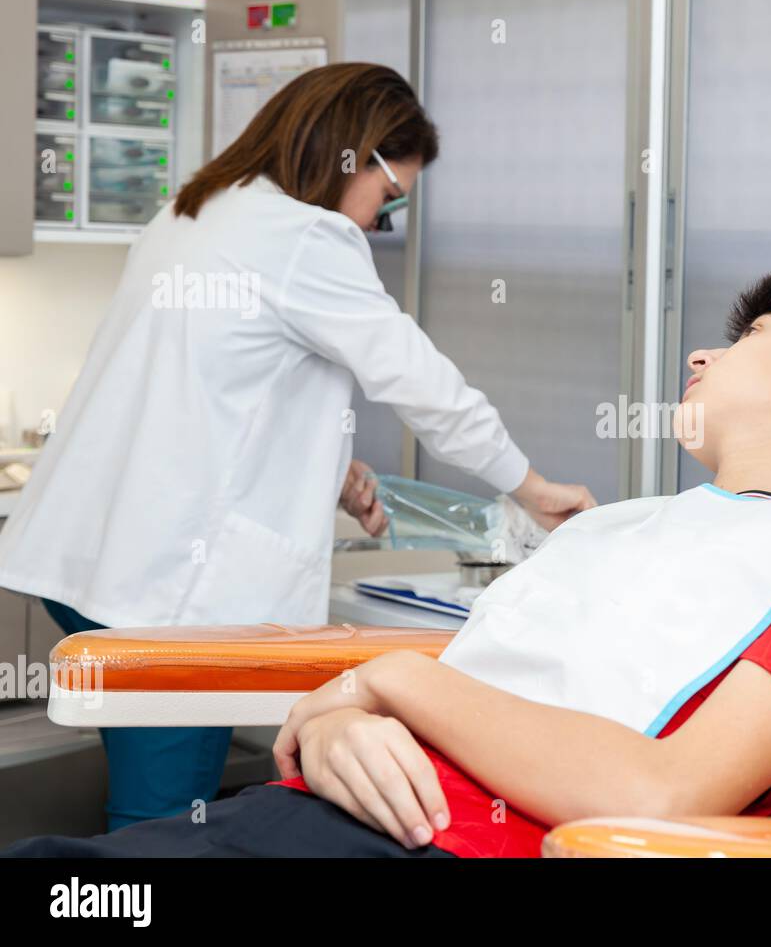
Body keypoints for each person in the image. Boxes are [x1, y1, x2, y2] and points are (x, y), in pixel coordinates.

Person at [2, 271, 771, 857]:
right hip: (312, 814)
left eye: (749, 337)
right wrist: (338, 718)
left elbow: (659, 796)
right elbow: (471, 690)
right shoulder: (618, 526)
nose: (703, 359)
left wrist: (383, 682)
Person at [0, 63, 594, 832]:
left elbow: (205, 388)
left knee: (159, 811)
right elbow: (422, 384)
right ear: (356, 154)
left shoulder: (196, 210)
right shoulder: (307, 236)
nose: (381, 224)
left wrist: (321, 466)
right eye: (390, 199)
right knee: (164, 830)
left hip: (94, 566)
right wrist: (533, 488)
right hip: (172, 601)